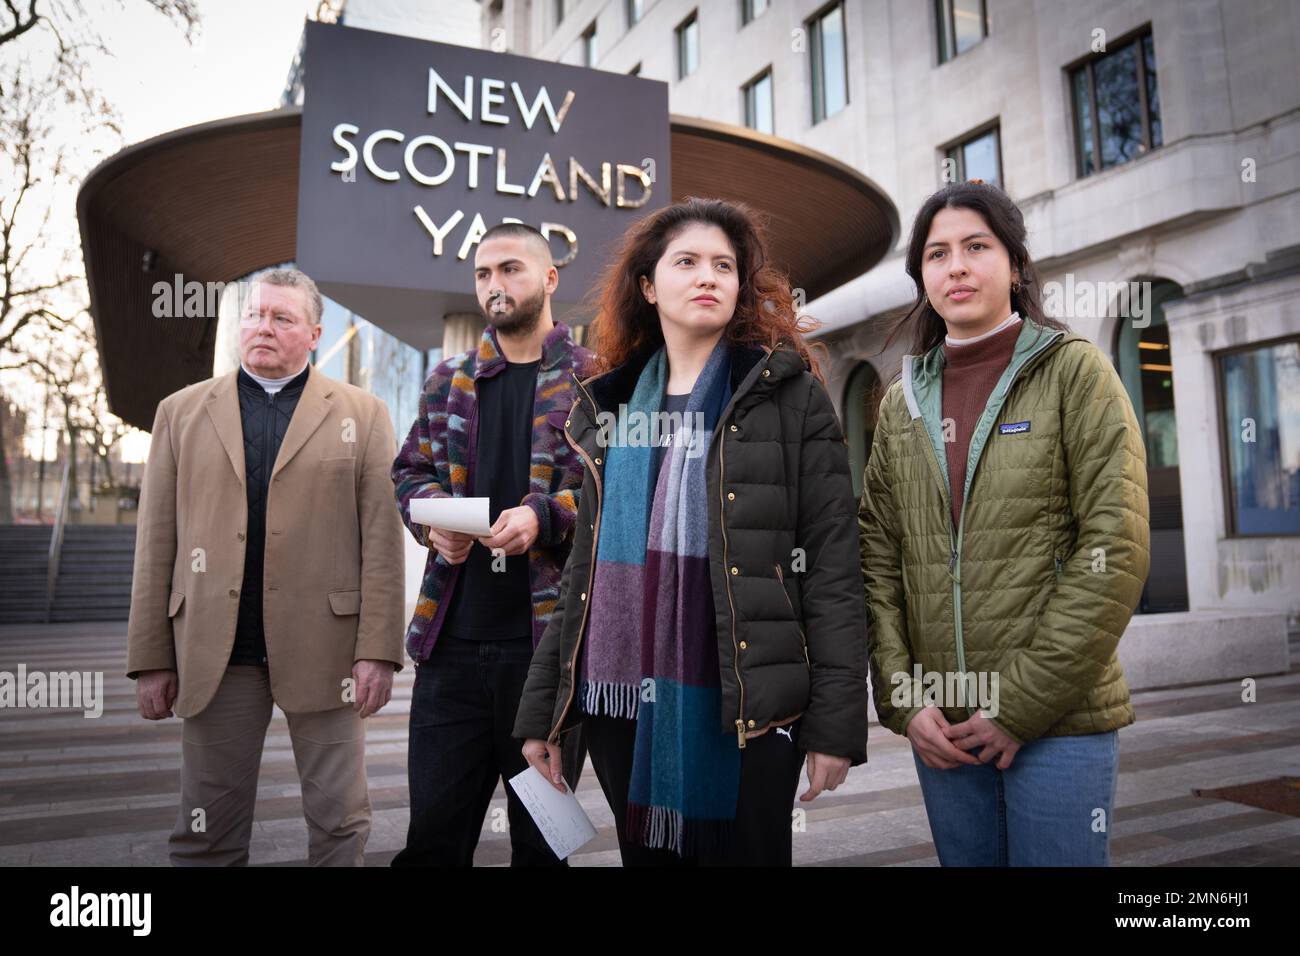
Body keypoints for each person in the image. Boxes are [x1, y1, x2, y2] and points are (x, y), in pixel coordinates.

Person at [515, 197, 868, 867]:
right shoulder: (610, 405)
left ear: (740, 287)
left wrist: (837, 725)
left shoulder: (788, 396)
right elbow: (581, 580)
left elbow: (832, 568)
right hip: (623, 707)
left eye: (723, 265)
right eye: (687, 262)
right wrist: (545, 716)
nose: (707, 276)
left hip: (750, 707)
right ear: (648, 286)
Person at [858, 180, 1151, 866]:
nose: (955, 266)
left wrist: (1019, 705)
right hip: (944, 730)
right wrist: (904, 700)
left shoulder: (1074, 372)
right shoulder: (901, 402)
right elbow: (877, 557)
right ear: (922, 277)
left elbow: (1115, 545)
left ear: (1015, 265)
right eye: (936, 254)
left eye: (976, 247)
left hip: (1058, 722)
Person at [127, 267, 406, 866]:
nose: (264, 327)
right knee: (205, 832)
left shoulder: (365, 413)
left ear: (313, 334)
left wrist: (377, 649)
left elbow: (381, 540)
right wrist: (151, 657)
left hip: (326, 651)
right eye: (254, 314)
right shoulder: (179, 413)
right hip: (214, 652)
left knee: (341, 824)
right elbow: (155, 544)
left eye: (282, 318)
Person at [391, 222, 594, 866]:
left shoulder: (595, 379)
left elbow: (614, 492)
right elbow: (409, 473)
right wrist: (431, 524)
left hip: (552, 657)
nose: (494, 286)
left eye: (510, 269)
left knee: (544, 850)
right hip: (450, 652)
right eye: (483, 274)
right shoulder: (447, 379)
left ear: (549, 278)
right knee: (431, 844)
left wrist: (544, 517)